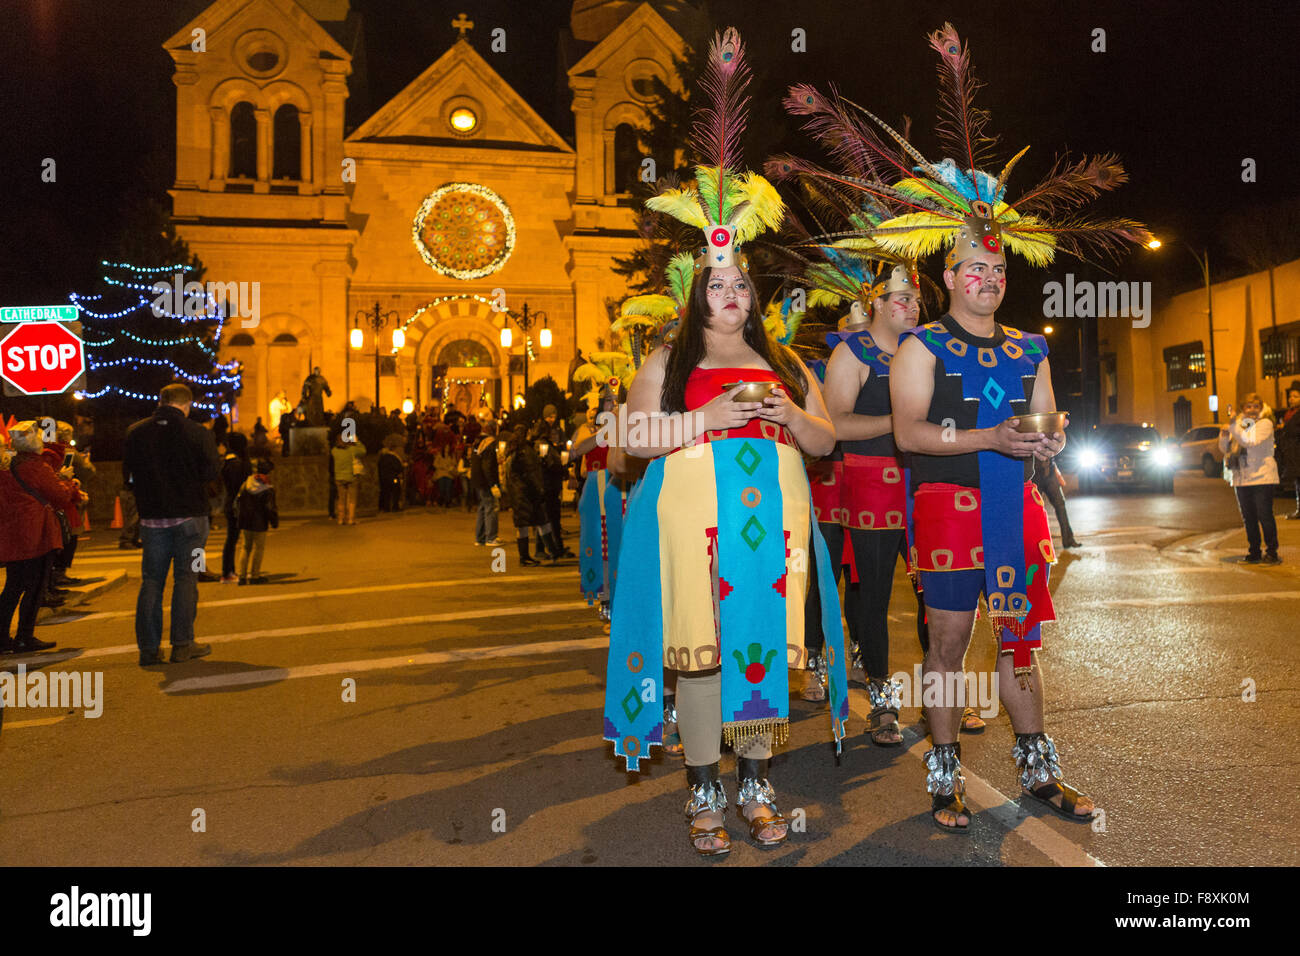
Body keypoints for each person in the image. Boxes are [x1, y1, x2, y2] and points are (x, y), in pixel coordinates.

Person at [814, 20, 1150, 832]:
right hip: (947, 505)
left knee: (1020, 643)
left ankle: (1040, 768)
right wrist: (990, 441)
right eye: (975, 269)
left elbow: (1042, 420)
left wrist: (1049, 440)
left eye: (999, 270)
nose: (989, 279)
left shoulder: (1030, 343)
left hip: (1016, 507)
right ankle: (943, 771)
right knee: (948, 644)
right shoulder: (924, 347)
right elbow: (909, 438)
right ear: (950, 274)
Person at [603, 27, 850, 858]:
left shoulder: (782, 360)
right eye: (718, 283)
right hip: (689, 520)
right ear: (696, 296)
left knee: (761, 654)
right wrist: (703, 422)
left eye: (741, 282)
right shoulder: (669, 360)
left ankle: (756, 782)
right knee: (703, 657)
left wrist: (791, 419)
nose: (732, 292)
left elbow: (824, 445)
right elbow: (631, 438)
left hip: (773, 527)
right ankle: (704, 789)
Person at [123, 382, 221, 665]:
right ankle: (183, 644)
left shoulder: (136, 432)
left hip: (152, 519)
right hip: (192, 518)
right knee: (187, 579)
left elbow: (128, 477)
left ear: (160, 401)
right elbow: (212, 471)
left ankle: (149, 649)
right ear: (187, 404)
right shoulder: (198, 432)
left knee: (151, 581)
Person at [0, 421, 83, 653]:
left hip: (13, 533)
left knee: (13, 587)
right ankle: (25, 637)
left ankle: (2, 637)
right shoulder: (36, 466)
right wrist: (68, 481)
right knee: (35, 587)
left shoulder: (8, 465)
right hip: (36, 533)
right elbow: (59, 496)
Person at [1219, 394, 1280, 564]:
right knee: (1249, 517)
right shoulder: (1241, 425)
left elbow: (1249, 441)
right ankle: (1254, 551)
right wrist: (1224, 435)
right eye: (1248, 407)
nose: (1252, 410)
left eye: (1256, 406)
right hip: (1242, 477)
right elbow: (1225, 448)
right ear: (1243, 409)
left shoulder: (1265, 424)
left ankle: (1272, 552)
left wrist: (1232, 426)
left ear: (1261, 408)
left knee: (1264, 515)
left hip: (1262, 477)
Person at [506, 424, 560, 565]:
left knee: (523, 526)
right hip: (528, 493)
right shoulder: (525, 451)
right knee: (542, 521)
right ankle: (552, 551)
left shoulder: (514, 451)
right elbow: (532, 473)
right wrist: (540, 488)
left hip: (518, 493)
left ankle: (525, 556)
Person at [235, 458, 279, 584]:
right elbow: (270, 508)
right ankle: (255, 576)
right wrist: (274, 521)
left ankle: (241, 576)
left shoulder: (246, 483)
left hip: (245, 520)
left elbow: (238, 502)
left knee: (245, 547)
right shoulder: (267, 487)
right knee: (259, 548)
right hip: (260, 522)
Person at [219, 431, 252, 582]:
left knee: (233, 539)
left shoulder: (231, 461)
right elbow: (236, 485)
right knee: (232, 539)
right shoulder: (234, 463)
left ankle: (230, 570)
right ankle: (227, 572)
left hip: (232, 504)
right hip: (234, 505)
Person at [1031, 454, 1080, 549]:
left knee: (1060, 505)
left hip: (1050, 473)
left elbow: (1051, 453)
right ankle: (1035, 545)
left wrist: (1058, 473)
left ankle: (1068, 540)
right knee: (1035, 511)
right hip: (1034, 475)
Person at [469, 422, 502, 546]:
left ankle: (480, 537)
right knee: (491, 507)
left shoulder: (477, 442)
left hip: (477, 479)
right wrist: (493, 483)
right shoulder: (489, 443)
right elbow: (488, 466)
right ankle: (491, 537)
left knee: (482, 507)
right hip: (485, 480)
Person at [330, 430, 366, 526]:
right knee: (352, 499)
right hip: (351, 477)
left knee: (341, 499)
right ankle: (350, 519)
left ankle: (341, 519)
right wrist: (357, 441)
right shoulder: (352, 450)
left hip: (339, 477)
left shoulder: (334, 451)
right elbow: (363, 451)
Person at [1276, 383, 1300, 520]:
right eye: (1290, 396)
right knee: (1297, 482)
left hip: (1297, 451)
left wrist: (1285, 428)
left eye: (1296, 396)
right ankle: (1299, 509)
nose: (1292, 399)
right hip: (1292, 453)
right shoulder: (1289, 413)